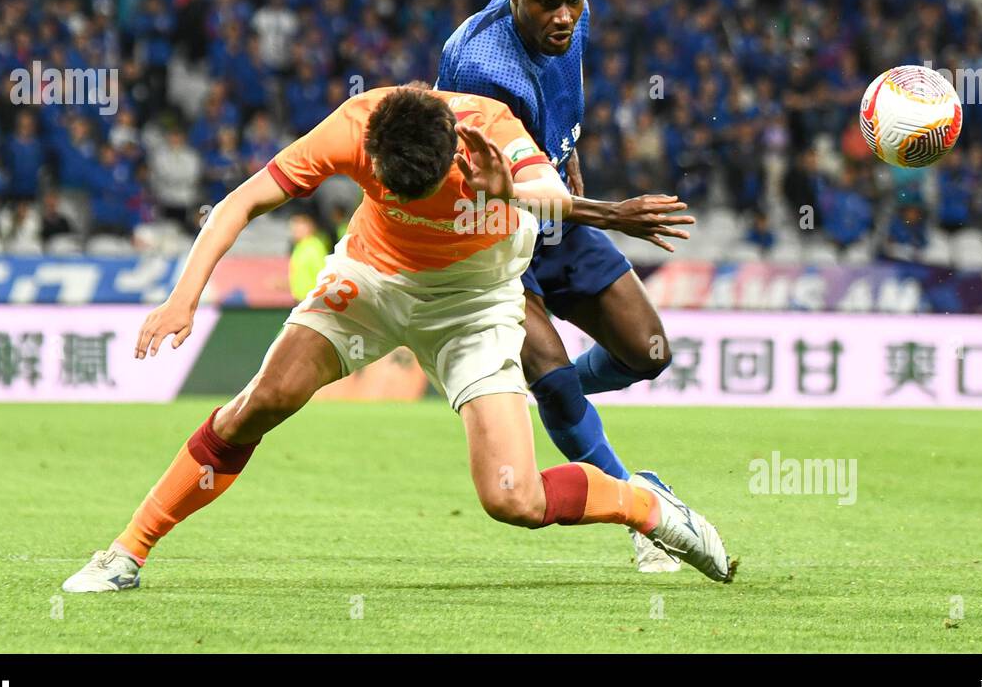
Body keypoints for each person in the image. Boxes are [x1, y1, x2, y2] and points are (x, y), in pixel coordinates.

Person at [61, 84, 735, 592]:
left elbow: (551, 191)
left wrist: (519, 192)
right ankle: (127, 552)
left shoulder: (490, 131)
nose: (406, 200)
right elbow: (241, 201)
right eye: (391, 188)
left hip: (475, 300)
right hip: (373, 278)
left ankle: (644, 504)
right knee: (261, 401)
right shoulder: (354, 125)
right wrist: (183, 298)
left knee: (513, 498)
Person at [437, 0, 698, 573]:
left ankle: (552, 396)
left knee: (649, 352)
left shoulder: (570, 15)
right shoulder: (479, 68)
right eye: (545, 3)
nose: (563, 16)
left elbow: (551, 115)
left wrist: (568, 153)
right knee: (551, 370)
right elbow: (503, 191)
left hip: (557, 212)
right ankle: (643, 505)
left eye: (573, 0)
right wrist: (615, 214)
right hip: (487, 232)